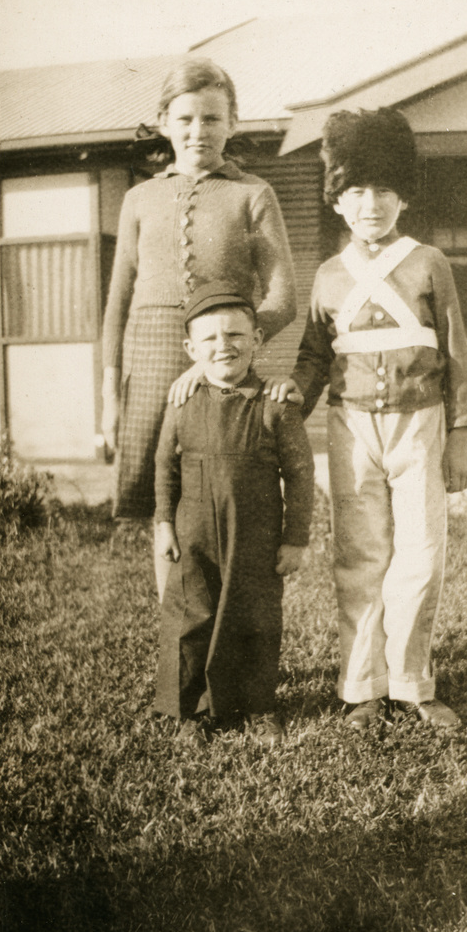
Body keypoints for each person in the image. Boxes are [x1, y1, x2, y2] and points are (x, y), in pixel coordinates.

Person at [276, 107, 467, 731]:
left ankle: (412, 683)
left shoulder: (430, 263)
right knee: (360, 555)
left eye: (385, 190)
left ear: (404, 198)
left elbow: (455, 353)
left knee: (421, 551)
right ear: (338, 200)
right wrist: (292, 398)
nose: (372, 203)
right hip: (350, 427)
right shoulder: (328, 276)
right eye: (358, 190)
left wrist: (458, 436)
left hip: (420, 422)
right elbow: (315, 354)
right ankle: (362, 685)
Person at [101, 56, 297, 598]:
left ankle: (223, 628)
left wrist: (220, 353)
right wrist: (109, 394)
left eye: (212, 119)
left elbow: (283, 298)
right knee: (162, 502)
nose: (198, 132)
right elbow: (116, 303)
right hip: (151, 362)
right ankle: (177, 629)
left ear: (232, 123)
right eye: (185, 119)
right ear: (164, 121)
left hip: (222, 373)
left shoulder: (252, 194)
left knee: (217, 494)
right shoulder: (139, 199)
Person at [152, 282, 314, 747]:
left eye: (236, 335)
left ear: (258, 340)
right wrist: (165, 522)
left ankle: (259, 707)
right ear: (191, 349)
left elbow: (301, 476)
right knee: (190, 617)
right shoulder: (181, 402)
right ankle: (188, 710)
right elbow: (164, 464)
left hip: (255, 537)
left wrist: (294, 538)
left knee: (257, 618)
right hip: (194, 535)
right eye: (210, 338)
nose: (224, 346)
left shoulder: (276, 405)